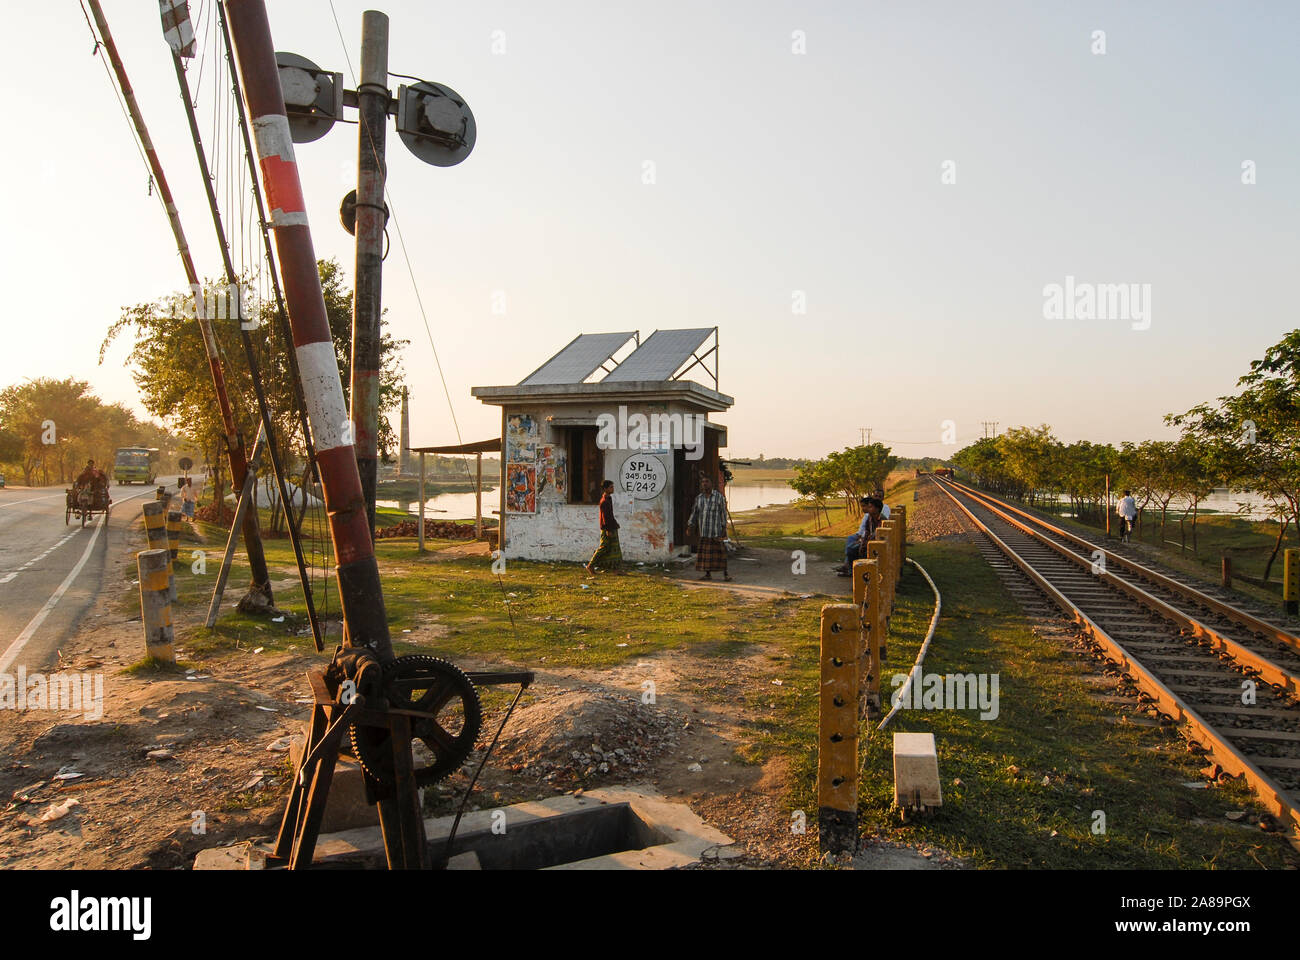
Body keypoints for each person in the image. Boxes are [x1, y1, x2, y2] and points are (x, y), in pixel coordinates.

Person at [687, 474, 731, 581]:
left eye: (707, 482)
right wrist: (690, 525)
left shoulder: (719, 497)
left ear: (711, 484)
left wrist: (724, 528)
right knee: (706, 555)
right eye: (703, 482)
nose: (704, 484)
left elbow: (723, 513)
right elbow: (695, 513)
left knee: (720, 554)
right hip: (704, 532)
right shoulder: (699, 498)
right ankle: (707, 574)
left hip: (716, 531)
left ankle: (726, 575)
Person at [836, 497, 883, 576]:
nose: (868, 509)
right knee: (851, 548)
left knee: (855, 549)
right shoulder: (870, 518)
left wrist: (864, 543)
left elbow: (876, 535)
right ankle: (851, 570)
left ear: (877, 509)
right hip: (868, 542)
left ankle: (857, 571)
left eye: (870, 507)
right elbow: (867, 532)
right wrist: (863, 543)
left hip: (876, 545)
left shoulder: (882, 520)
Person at [585, 480, 622, 575]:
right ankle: (590, 565)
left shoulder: (608, 499)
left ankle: (616, 570)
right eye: (610, 487)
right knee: (604, 548)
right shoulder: (604, 501)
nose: (612, 489)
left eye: (612, 487)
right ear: (605, 489)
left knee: (615, 549)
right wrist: (608, 529)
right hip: (607, 529)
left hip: (612, 527)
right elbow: (605, 517)